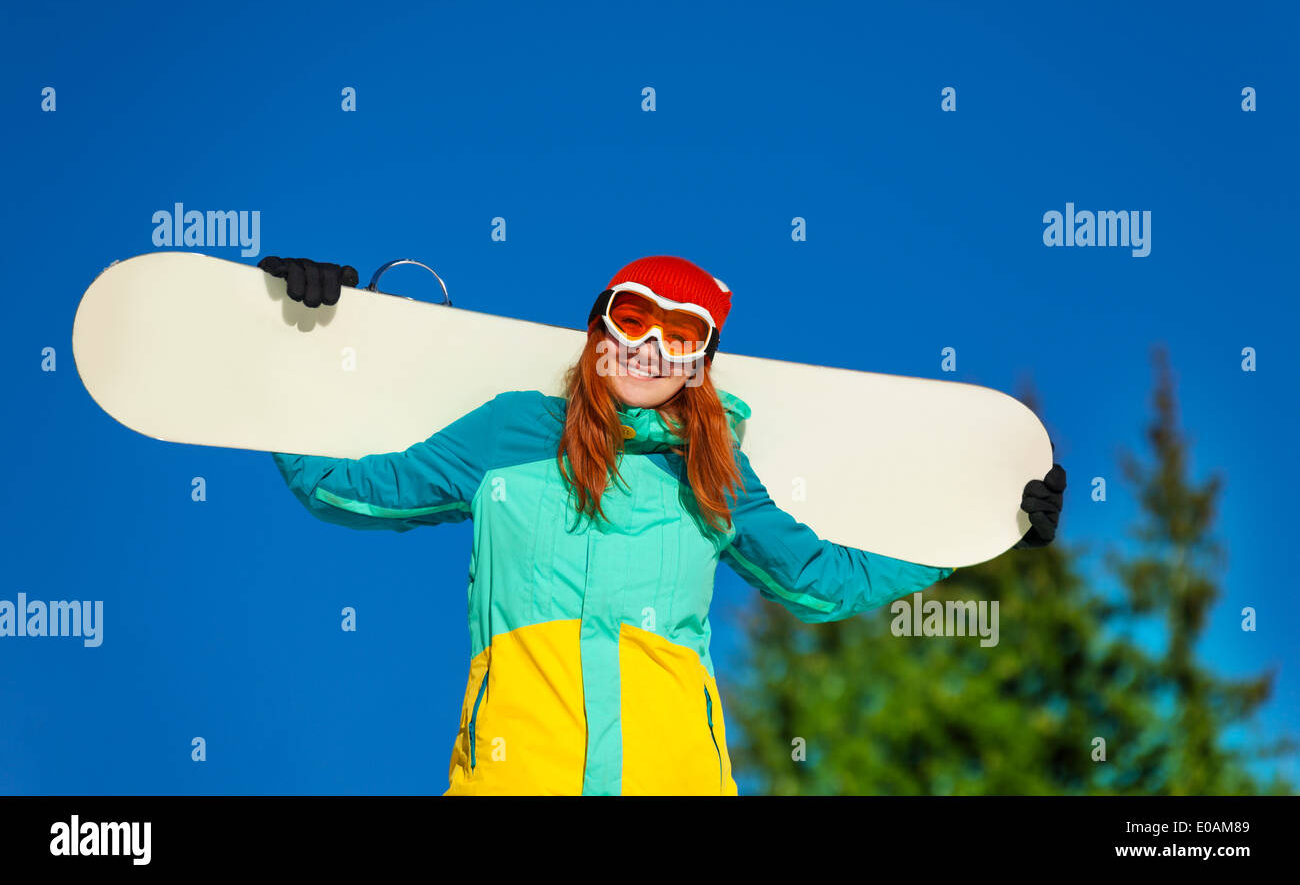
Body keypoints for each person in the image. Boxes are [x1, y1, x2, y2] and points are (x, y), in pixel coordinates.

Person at [259, 254, 1066, 795]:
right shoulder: (510, 436)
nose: (651, 347)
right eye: (635, 317)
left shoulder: (713, 476)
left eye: (682, 335)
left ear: (701, 363)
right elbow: (347, 489)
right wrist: (292, 342)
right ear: (599, 329)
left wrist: (973, 533)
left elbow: (819, 578)